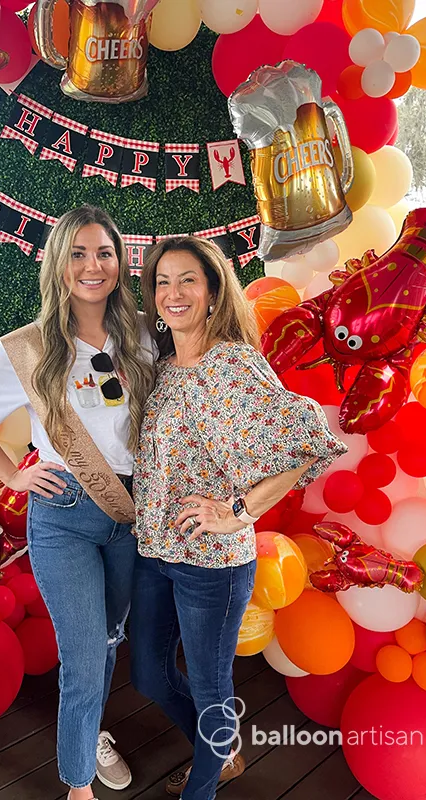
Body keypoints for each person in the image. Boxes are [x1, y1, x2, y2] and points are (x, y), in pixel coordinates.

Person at [130, 236, 347, 800]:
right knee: (149, 675)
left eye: (187, 281)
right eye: (162, 282)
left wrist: (236, 512)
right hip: (156, 552)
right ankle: (220, 751)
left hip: (213, 565)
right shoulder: (163, 368)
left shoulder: (232, 362)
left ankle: (201, 787)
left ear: (211, 290)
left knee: (210, 687)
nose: (173, 293)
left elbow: (308, 442)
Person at [0, 206, 156, 800]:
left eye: (104, 253)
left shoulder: (145, 334)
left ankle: (87, 724)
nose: (93, 266)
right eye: (78, 253)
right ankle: (78, 785)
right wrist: (13, 478)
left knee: (109, 636)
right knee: (86, 652)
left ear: (121, 262)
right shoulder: (28, 347)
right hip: (64, 511)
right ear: (58, 264)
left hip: (131, 511)